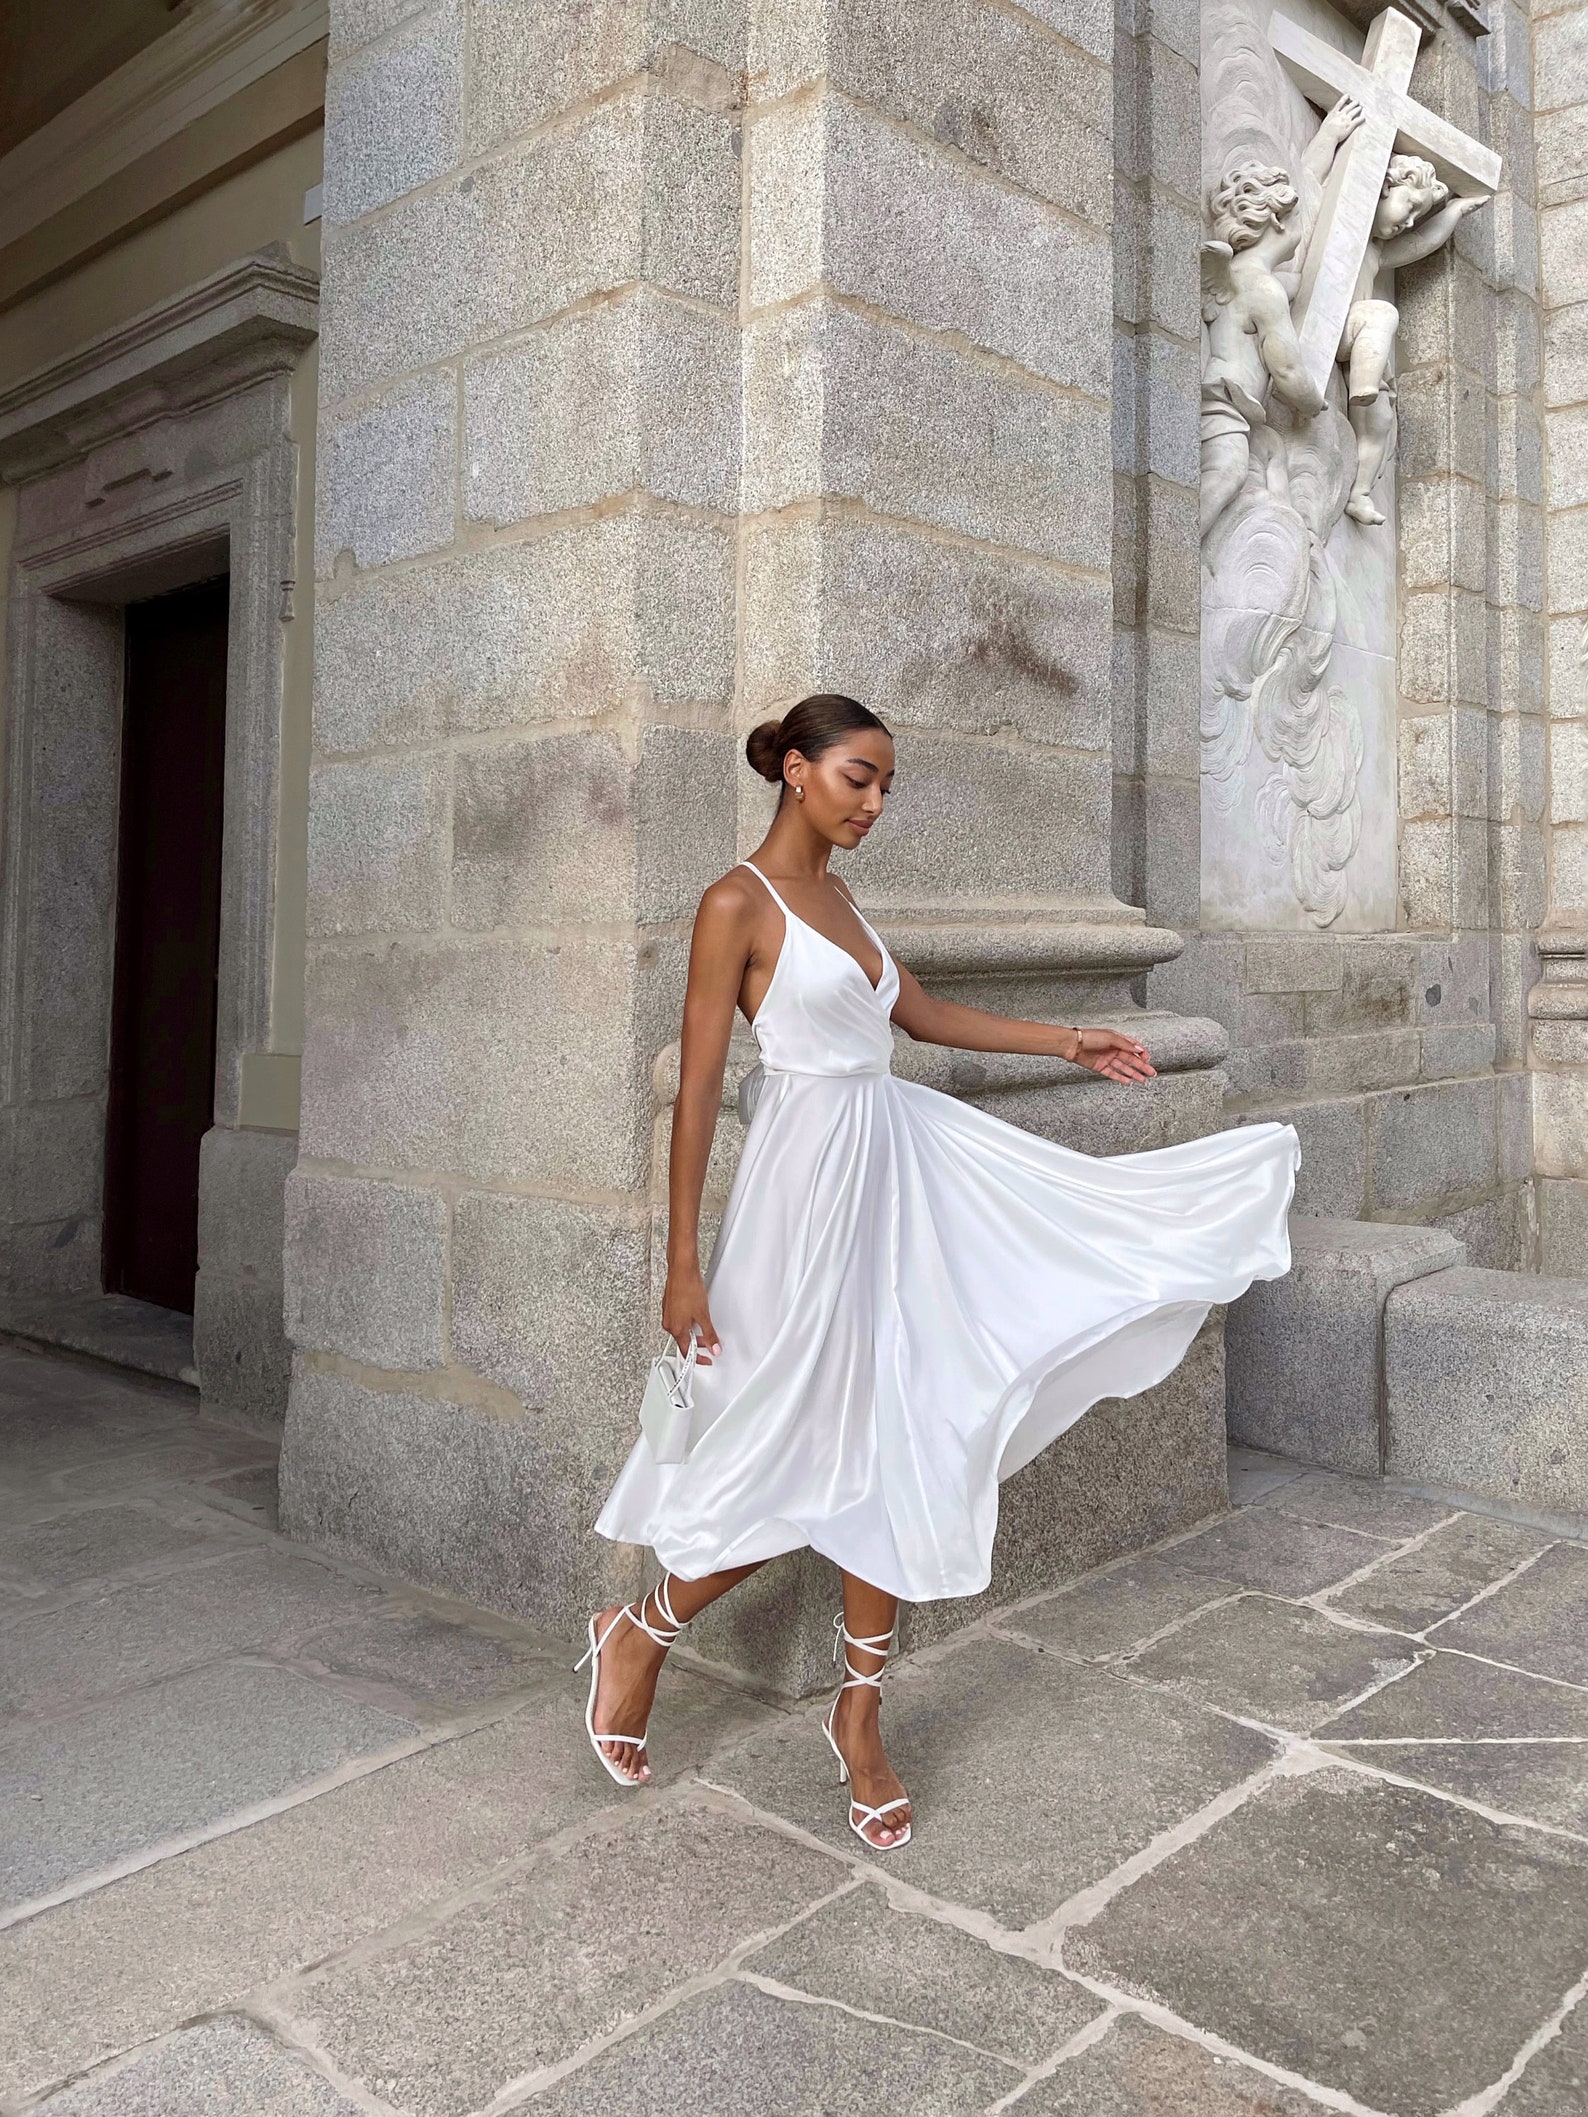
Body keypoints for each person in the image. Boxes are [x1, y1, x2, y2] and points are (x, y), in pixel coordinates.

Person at [578, 695, 1300, 1851]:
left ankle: (860, 1711)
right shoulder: (736, 902)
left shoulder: (842, 902)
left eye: (885, 786)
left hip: (899, 1180)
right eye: (858, 777)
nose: (873, 802)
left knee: (911, 1436)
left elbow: (915, 1014)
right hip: (802, 1200)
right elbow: (704, 1087)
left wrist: (1066, 1038)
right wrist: (682, 1259)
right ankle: (643, 1627)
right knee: (778, 1441)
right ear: (798, 770)